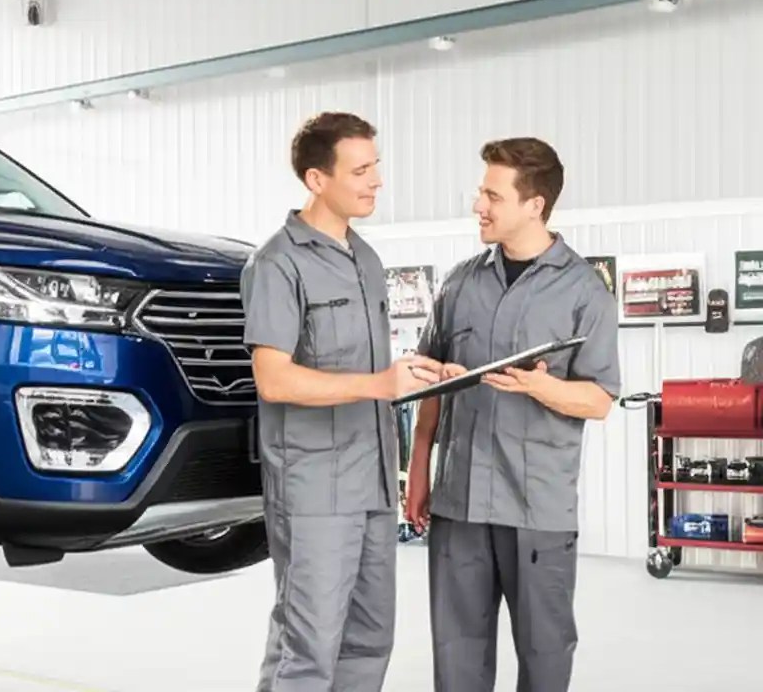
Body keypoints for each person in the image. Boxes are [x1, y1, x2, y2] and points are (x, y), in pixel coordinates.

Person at [403, 137, 622, 692]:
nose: (478, 205)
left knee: (545, 655)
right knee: (456, 657)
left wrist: (538, 388)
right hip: (460, 503)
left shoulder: (583, 292)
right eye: (480, 192)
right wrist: (419, 468)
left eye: (492, 195)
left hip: (537, 507)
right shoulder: (460, 282)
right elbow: (431, 378)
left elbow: (598, 399)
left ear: (535, 205)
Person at [241, 111, 444, 692]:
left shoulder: (369, 261)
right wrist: (380, 384)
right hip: (314, 490)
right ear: (316, 179)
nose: (376, 179)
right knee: (307, 647)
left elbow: (373, 370)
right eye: (360, 169)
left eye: (376, 166)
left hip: (374, 483)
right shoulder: (278, 263)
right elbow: (274, 379)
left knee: (368, 640)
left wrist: (422, 375)